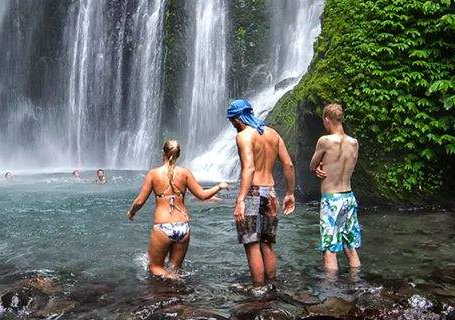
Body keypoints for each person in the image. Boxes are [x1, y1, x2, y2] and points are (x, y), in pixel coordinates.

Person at [127, 139, 228, 278]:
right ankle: (177, 291)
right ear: (179, 154)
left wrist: (131, 212)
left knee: (155, 267)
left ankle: (168, 287)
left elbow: (139, 202)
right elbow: (202, 195)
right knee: (175, 269)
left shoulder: (153, 174)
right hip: (183, 226)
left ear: (163, 152)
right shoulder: (185, 173)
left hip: (163, 226)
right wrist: (219, 186)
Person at [227, 98, 296, 286]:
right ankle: (271, 287)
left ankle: (258, 290)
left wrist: (240, 200)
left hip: (252, 193)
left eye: (232, 121)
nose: (232, 125)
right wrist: (290, 193)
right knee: (267, 243)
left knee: (251, 244)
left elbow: (248, 169)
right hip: (271, 193)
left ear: (237, 118)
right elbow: (289, 164)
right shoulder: (273, 134)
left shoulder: (244, 136)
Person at [310, 102, 362, 271]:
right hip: (348, 197)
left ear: (327, 120)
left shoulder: (324, 141)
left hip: (331, 199)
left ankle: (331, 292)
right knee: (350, 245)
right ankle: (356, 281)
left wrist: (317, 168)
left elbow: (312, 165)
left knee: (330, 248)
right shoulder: (354, 143)